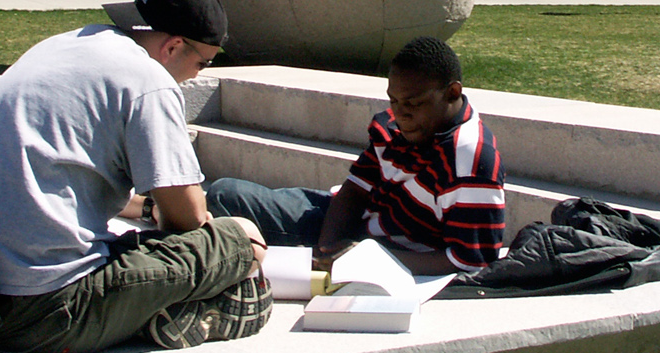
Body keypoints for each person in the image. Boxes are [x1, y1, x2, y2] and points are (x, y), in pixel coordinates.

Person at [0, 0, 272, 353]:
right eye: (203, 62)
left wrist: (147, 209)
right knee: (242, 240)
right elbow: (189, 223)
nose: (199, 74)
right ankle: (164, 313)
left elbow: (66, 177)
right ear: (174, 46)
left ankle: (148, 312)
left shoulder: (60, 46)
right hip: (38, 308)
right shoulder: (149, 81)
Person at [206, 36, 505, 276]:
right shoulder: (394, 127)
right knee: (223, 195)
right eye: (394, 100)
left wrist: (365, 260)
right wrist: (327, 250)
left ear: (452, 93)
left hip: (386, 252)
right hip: (347, 227)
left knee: (226, 214)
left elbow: (470, 259)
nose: (400, 113)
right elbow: (354, 190)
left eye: (413, 103)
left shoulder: (472, 158)